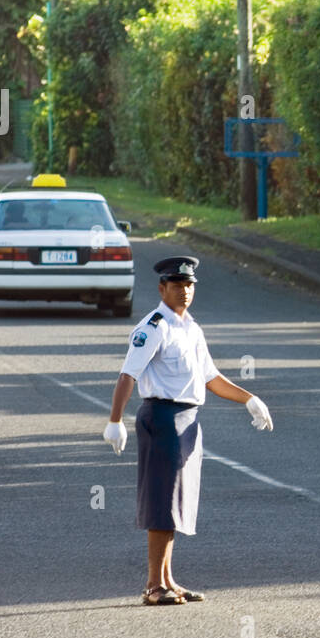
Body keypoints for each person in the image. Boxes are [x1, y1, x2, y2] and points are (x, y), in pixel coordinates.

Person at [103, 255, 274, 606]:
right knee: (162, 501)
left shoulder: (192, 329)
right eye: (178, 285)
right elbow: (128, 374)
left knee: (176, 502)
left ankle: (168, 578)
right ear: (162, 288)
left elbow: (211, 377)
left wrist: (249, 399)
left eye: (190, 285)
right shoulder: (154, 327)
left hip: (188, 419)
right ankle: (153, 585)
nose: (185, 291)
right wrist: (115, 420)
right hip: (162, 416)